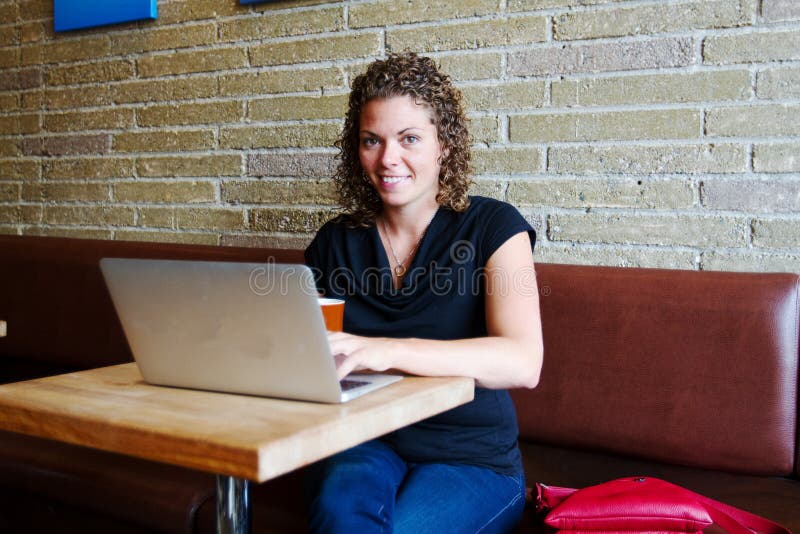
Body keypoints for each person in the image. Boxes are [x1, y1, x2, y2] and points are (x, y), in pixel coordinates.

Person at [303, 51, 544, 533]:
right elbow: (303, 350)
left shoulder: (494, 226)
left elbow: (523, 362)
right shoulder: (337, 240)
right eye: (372, 140)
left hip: (472, 459)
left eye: (409, 138)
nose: (388, 158)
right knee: (340, 518)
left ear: (444, 146)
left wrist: (380, 350)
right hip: (366, 439)